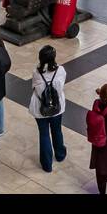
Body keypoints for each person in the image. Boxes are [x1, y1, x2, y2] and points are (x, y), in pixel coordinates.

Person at [30, 44, 67, 172]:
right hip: (57, 108)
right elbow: (60, 88)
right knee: (57, 130)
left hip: (40, 109)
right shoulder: (61, 70)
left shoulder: (36, 73)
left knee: (44, 134)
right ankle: (60, 155)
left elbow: (34, 88)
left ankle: (47, 164)